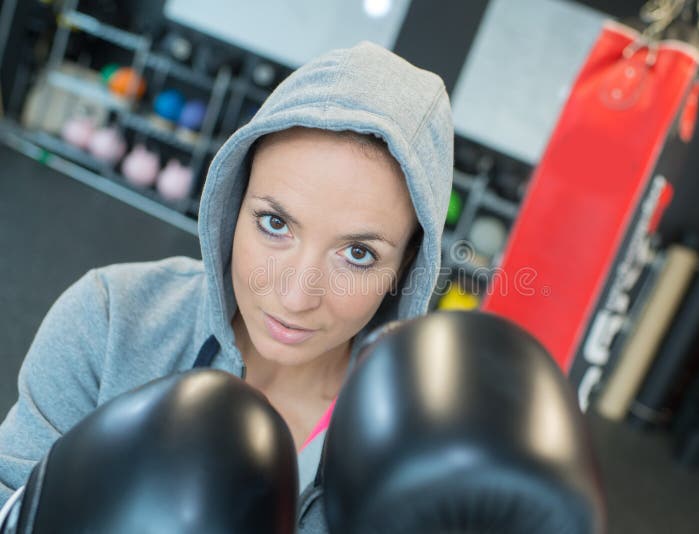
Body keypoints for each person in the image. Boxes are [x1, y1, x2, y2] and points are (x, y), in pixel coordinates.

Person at [0, 40, 454, 524]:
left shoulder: (412, 462)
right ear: (235, 199)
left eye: (358, 254)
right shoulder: (111, 320)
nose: (295, 296)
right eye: (275, 223)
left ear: (407, 264)